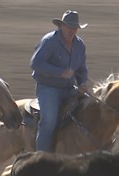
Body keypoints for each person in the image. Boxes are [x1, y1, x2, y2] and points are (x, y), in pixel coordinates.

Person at [30, 10, 89, 152]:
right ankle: (40, 157)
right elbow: (36, 63)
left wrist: (82, 83)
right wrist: (60, 73)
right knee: (49, 121)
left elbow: (82, 69)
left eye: (75, 28)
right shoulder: (49, 41)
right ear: (61, 26)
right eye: (69, 27)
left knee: (89, 112)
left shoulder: (80, 45)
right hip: (48, 89)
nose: (72, 30)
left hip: (71, 90)